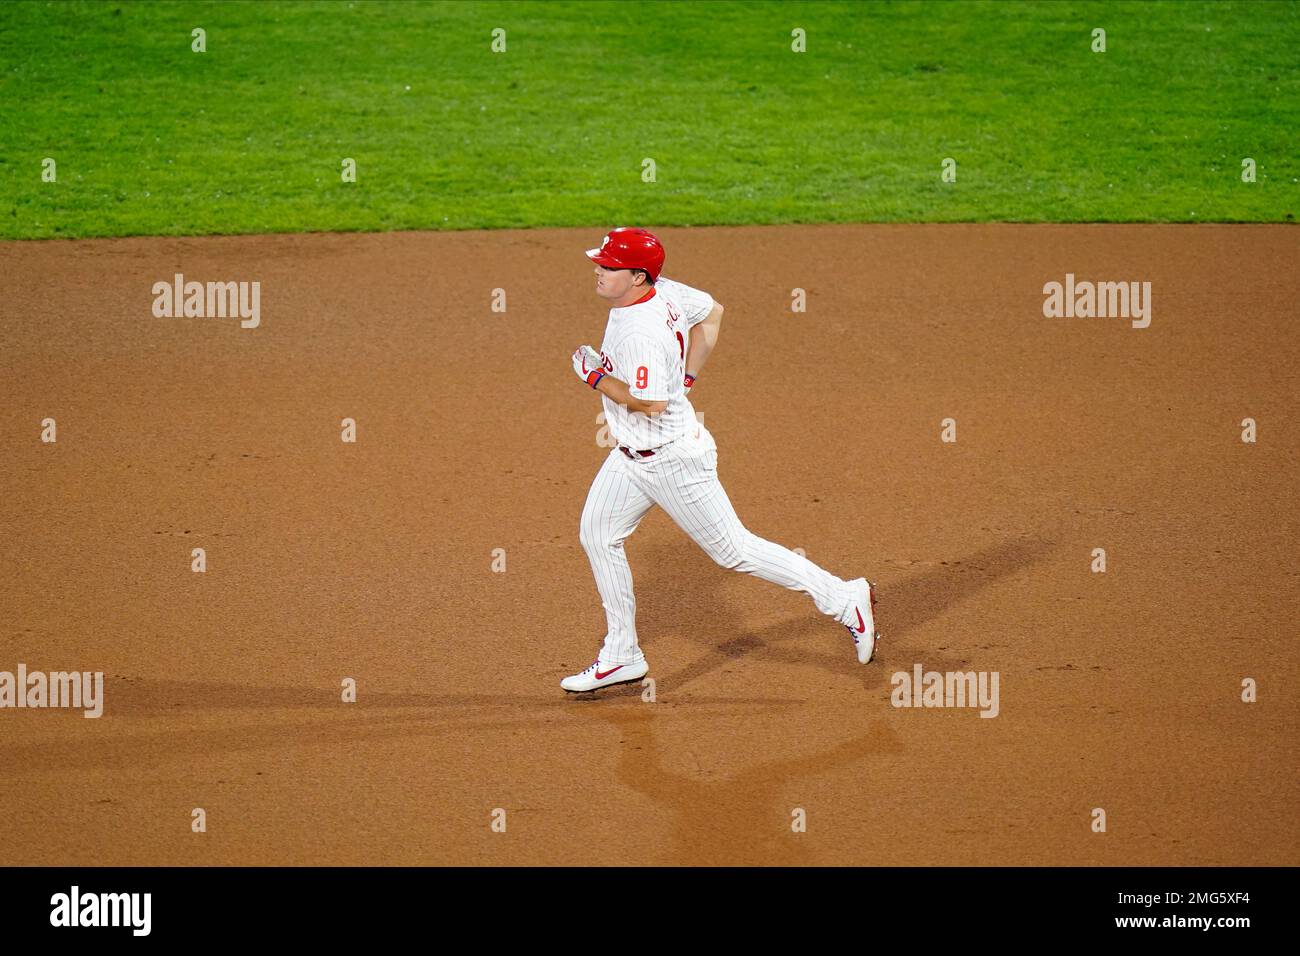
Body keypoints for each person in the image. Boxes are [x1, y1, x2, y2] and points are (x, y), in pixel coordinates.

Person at [563, 227, 878, 693]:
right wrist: (687, 378)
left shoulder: (641, 332)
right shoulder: (663, 291)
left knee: (734, 551)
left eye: (608, 266)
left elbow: (649, 404)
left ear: (635, 276)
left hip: (670, 460)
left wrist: (593, 376)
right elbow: (712, 313)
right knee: (598, 533)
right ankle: (622, 654)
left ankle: (843, 598)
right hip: (631, 457)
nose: (598, 270)